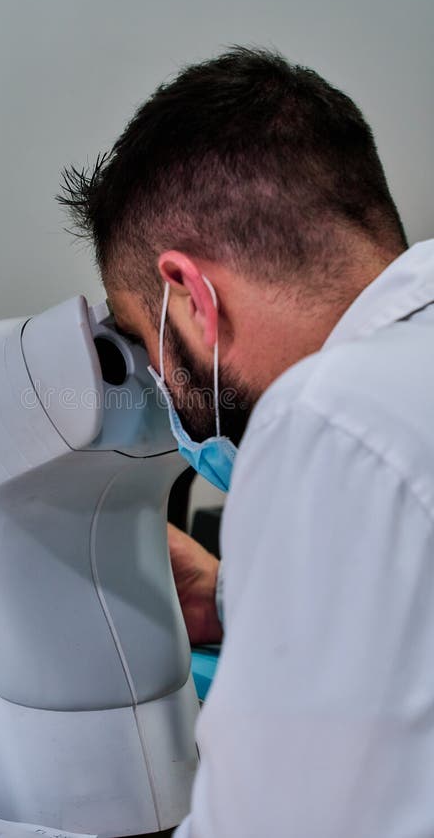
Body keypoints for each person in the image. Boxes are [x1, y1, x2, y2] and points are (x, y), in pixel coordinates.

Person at [58, 47, 434, 836]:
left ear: (190, 295)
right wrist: (233, 598)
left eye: (144, 343)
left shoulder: (329, 417)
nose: (162, 393)